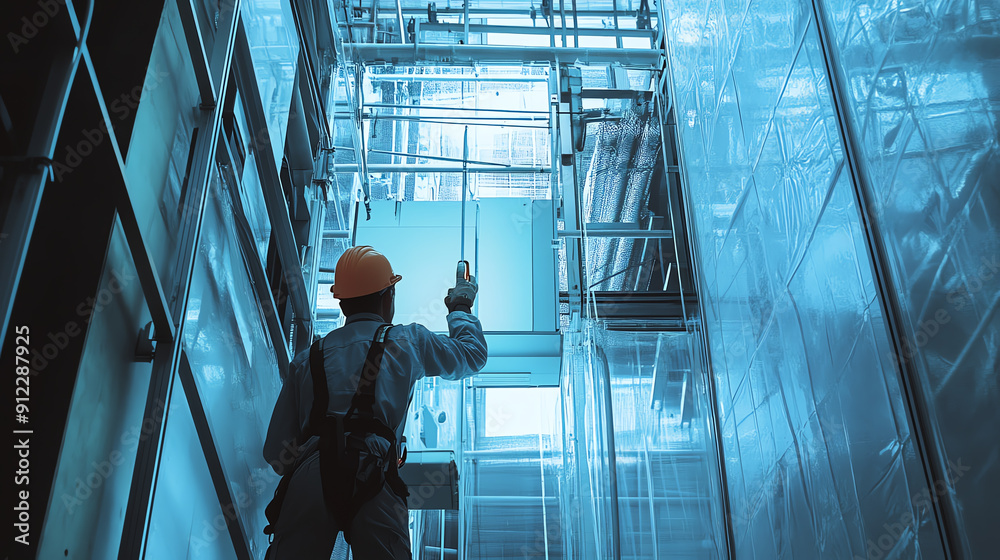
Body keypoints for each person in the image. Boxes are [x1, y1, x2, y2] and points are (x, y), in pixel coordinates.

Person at [262, 245, 487, 559]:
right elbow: (472, 355)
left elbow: (277, 455)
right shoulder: (409, 341)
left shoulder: (306, 360)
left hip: (312, 473)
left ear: (342, 303)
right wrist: (460, 306)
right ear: (387, 297)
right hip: (375, 472)